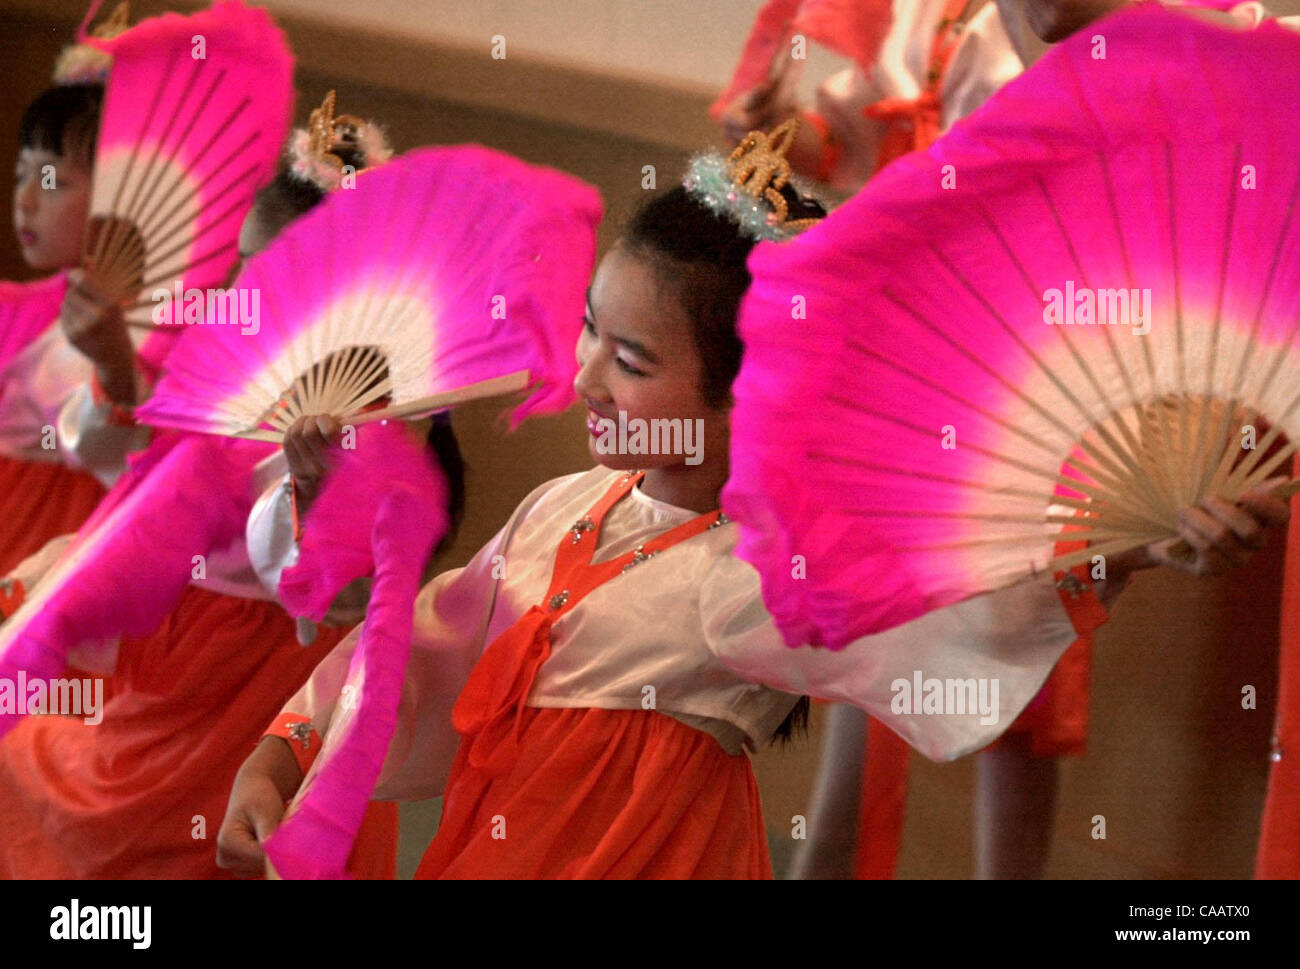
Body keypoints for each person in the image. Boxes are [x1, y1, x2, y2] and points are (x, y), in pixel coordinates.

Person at [217, 124, 1287, 879]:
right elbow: (417, 650)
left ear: (748, 399)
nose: (586, 377)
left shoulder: (759, 575)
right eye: (591, 330)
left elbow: (950, 617)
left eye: (631, 360)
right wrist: (284, 751)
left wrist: (1133, 547)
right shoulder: (558, 510)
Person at [0, 94, 432, 879]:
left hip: (265, 675)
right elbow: (130, 467)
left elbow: (337, 585)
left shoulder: (383, 410)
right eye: (245, 267)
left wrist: (311, 495)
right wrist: (113, 370)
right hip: (176, 645)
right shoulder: (226, 355)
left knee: (177, 841)